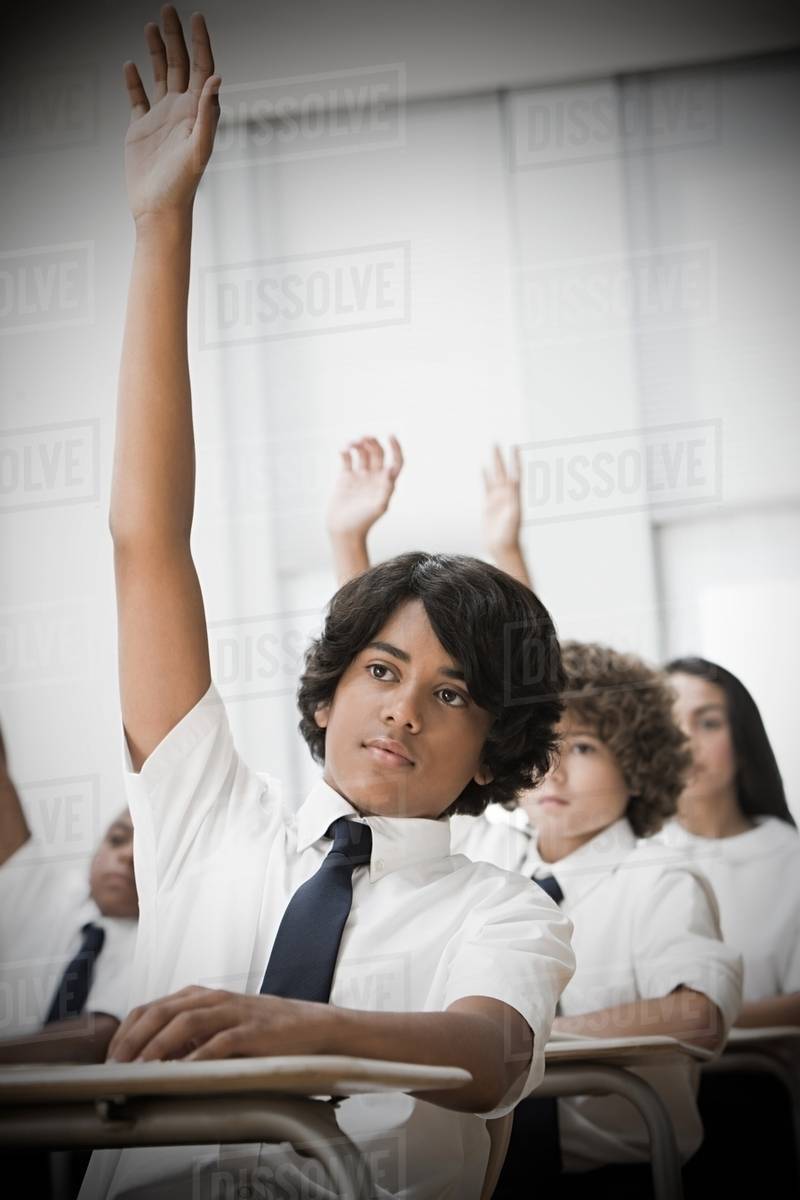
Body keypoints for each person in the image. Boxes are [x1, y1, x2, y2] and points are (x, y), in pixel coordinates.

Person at [81, 9, 576, 1199]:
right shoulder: (208, 820)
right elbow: (147, 541)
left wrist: (293, 1030)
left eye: (449, 692)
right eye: (382, 671)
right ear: (333, 686)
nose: (401, 712)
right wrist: (162, 222)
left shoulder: (501, 905)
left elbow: (485, 1050)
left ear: (494, 740)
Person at [327, 441, 744, 1193]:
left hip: (618, 1175)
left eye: (582, 748)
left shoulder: (659, 878)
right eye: (543, 750)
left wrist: (533, 1038)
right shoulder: (494, 860)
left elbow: (697, 1018)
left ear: (638, 762)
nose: (552, 768)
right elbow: (455, 684)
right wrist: (350, 544)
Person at [662, 657, 800, 1197]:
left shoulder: (788, 856)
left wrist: (695, 1019)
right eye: (672, 723)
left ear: (741, 737)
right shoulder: (633, 856)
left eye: (708, 722)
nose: (687, 741)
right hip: (639, 1094)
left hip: (753, 1090)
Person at [0, 723, 138, 1064]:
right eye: (117, 839)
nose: (127, 855)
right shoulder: (42, 894)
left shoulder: (160, 940)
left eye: (147, 851)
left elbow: (97, 1038)